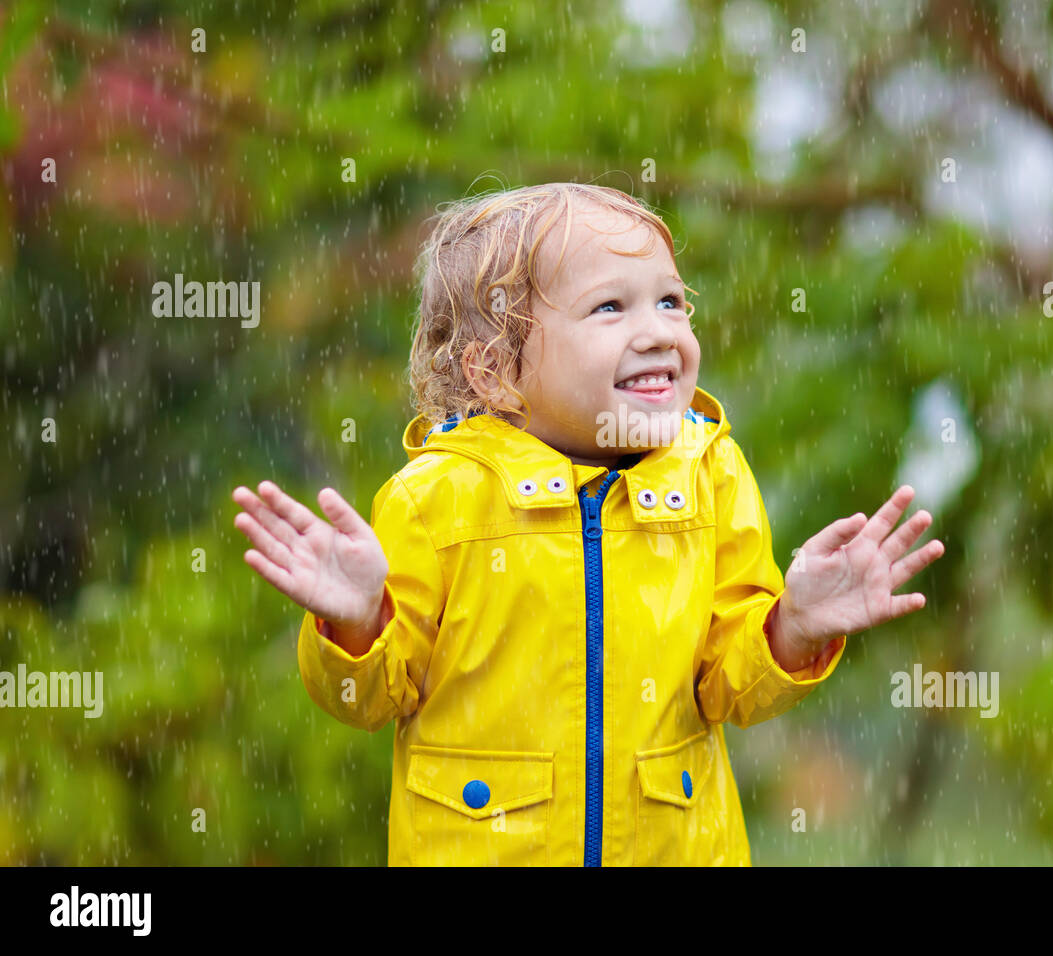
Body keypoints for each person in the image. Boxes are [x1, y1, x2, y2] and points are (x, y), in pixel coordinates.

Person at [231, 182, 945, 865]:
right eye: (611, 308)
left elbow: (730, 687)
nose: (659, 332)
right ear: (492, 370)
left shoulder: (710, 476)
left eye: (671, 301)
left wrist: (795, 627)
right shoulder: (437, 498)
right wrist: (354, 625)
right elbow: (368, 698)